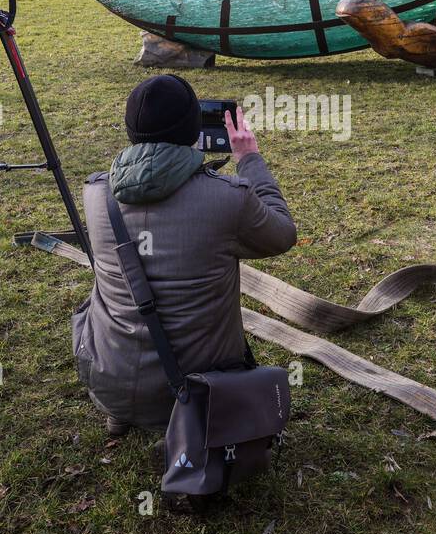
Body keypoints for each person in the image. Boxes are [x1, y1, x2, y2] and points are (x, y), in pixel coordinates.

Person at [75, 74, 297, 435]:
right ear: (193, 131)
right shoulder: (228, 199)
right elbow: (283, 234)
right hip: (198, 395)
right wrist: (250, 159)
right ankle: (160, 414)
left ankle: (123, 410)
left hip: (105, 380)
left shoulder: (95, 193)